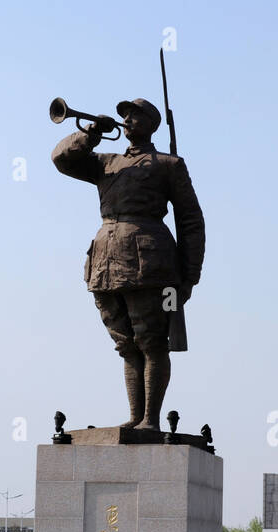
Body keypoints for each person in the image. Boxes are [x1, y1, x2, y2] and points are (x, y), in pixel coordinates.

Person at [52, 97, 206, 430]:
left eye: (135, 116)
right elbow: (61, 159)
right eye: (125, 116)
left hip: (152, 264)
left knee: (152, 342)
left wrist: (189, 276)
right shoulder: (105, 162)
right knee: (125, 344)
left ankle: (150, 419)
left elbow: (191, 221)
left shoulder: (169, 164)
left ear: (151, 124)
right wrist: (91, 134)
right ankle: (135, 415)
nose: (127, 121)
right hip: (106, 262)